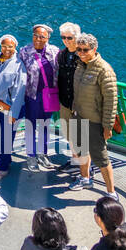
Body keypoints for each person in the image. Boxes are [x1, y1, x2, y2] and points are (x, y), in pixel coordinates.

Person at [68, 34, 119, 196]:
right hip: (79, 116)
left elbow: (111, 101)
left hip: (95, 121)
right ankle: (85, 179)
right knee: (82, 151)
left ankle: (111, 193)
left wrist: (108, 126)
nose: (81, 53)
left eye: (85, 50)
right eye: (78, 50)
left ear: (94, 49)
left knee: (101, 158)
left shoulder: (104, 70)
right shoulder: (80, 66)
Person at [18, 25, 60, 173]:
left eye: (42, 36)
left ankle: (42, 154)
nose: (38, 39)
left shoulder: (54, 51)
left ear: (48, 38)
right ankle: (31, 156)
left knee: (45, 125)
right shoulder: (24, 52)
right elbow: (17, 73)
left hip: (49, 95)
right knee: (31, 126)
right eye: (35, 35)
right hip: (32, 95)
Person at [0, 34, 26, 182]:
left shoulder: (18, 64)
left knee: (6, 138)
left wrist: (13, 113)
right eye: (4, 46)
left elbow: (19, 91)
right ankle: (6, 159)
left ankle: (2, 168)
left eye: (10, 46)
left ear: (15, 47)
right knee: (0, 135)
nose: (7, 49)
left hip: (10, 106)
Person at [55, 22, 82, 177]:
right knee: (68, 133)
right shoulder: (62, 54)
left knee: (80, 135)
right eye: (63, 37)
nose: (66, 40)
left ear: (77, 36)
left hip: (79, 103)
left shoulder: (83, 54)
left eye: (69, 37)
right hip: (65, 101)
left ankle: (84, 168)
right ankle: (74, 160)